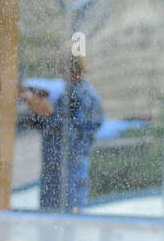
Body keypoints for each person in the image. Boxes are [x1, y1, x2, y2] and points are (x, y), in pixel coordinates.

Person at [20, 53, 104, 213]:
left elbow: (75, 135)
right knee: (49, 221)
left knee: (64, 223)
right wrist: (37, 110)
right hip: (54, 171)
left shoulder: (85, 97)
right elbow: (50, 127)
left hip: (70, 172)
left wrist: (50, 114)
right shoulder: (67, 95)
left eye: (63, 66)